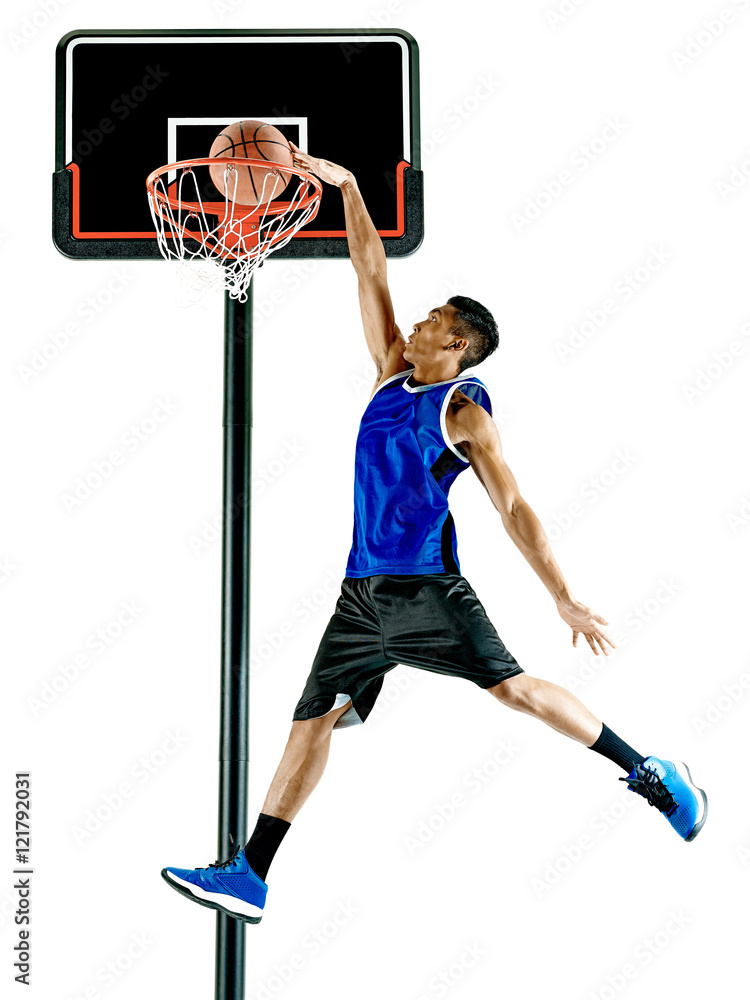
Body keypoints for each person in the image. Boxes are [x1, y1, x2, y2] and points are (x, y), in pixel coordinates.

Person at [161, 145, 707, 924]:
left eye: (433, 322)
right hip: (361, 597)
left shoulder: (463, 412)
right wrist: (347, 185)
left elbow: (515, 508)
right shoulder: (392, 371)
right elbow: (369, 271)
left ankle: (653, 774)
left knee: (512, 688)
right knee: (310, 723)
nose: (415, 322)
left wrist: (565, 598)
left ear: (456, 346)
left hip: (424, 590)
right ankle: (250, 875)